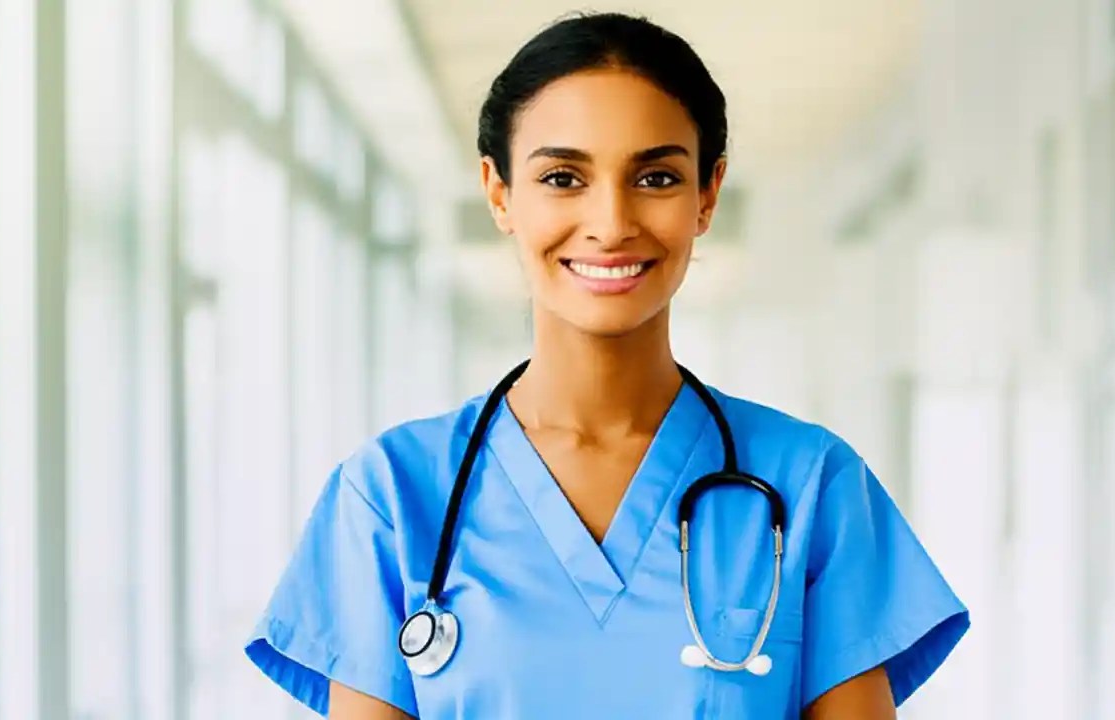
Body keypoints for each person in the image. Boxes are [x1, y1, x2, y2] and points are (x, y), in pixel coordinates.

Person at [244, 11, 969, 719]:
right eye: (563, 177)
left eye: (655, 178)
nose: (612, 222)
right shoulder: (393, 497)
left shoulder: (812, 486)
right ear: (499, 193)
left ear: (707, 195)